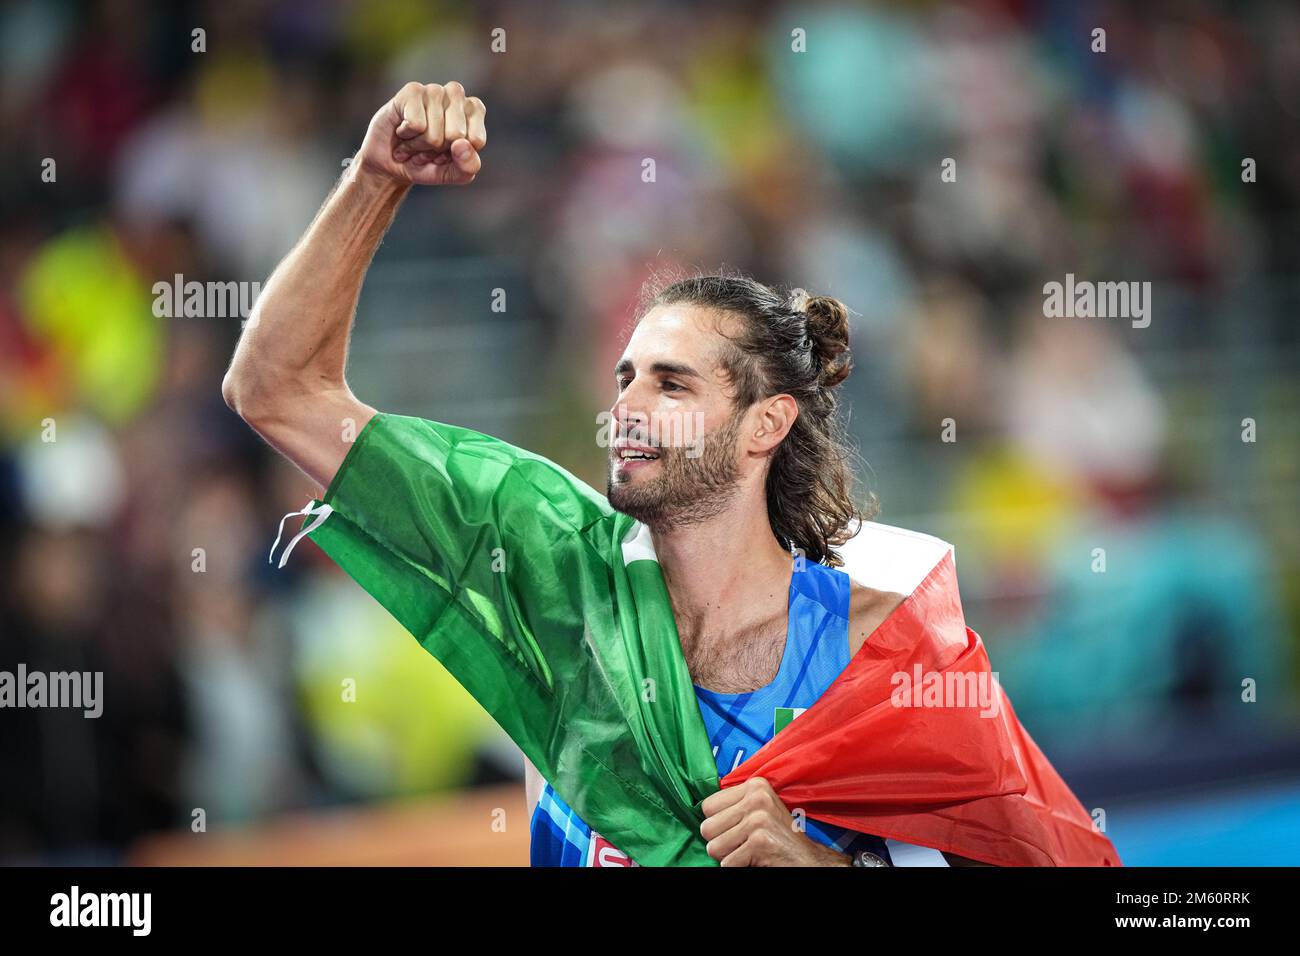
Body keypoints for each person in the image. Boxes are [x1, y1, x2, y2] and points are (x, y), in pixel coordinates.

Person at [223, 81, 990, 866]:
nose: (626, 405)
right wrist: (375, 180)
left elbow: (1020, 851)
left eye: (671, 383)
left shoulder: (880, 647)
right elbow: (275, 390)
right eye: (625, 377)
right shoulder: (554, 570)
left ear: (768, 423)